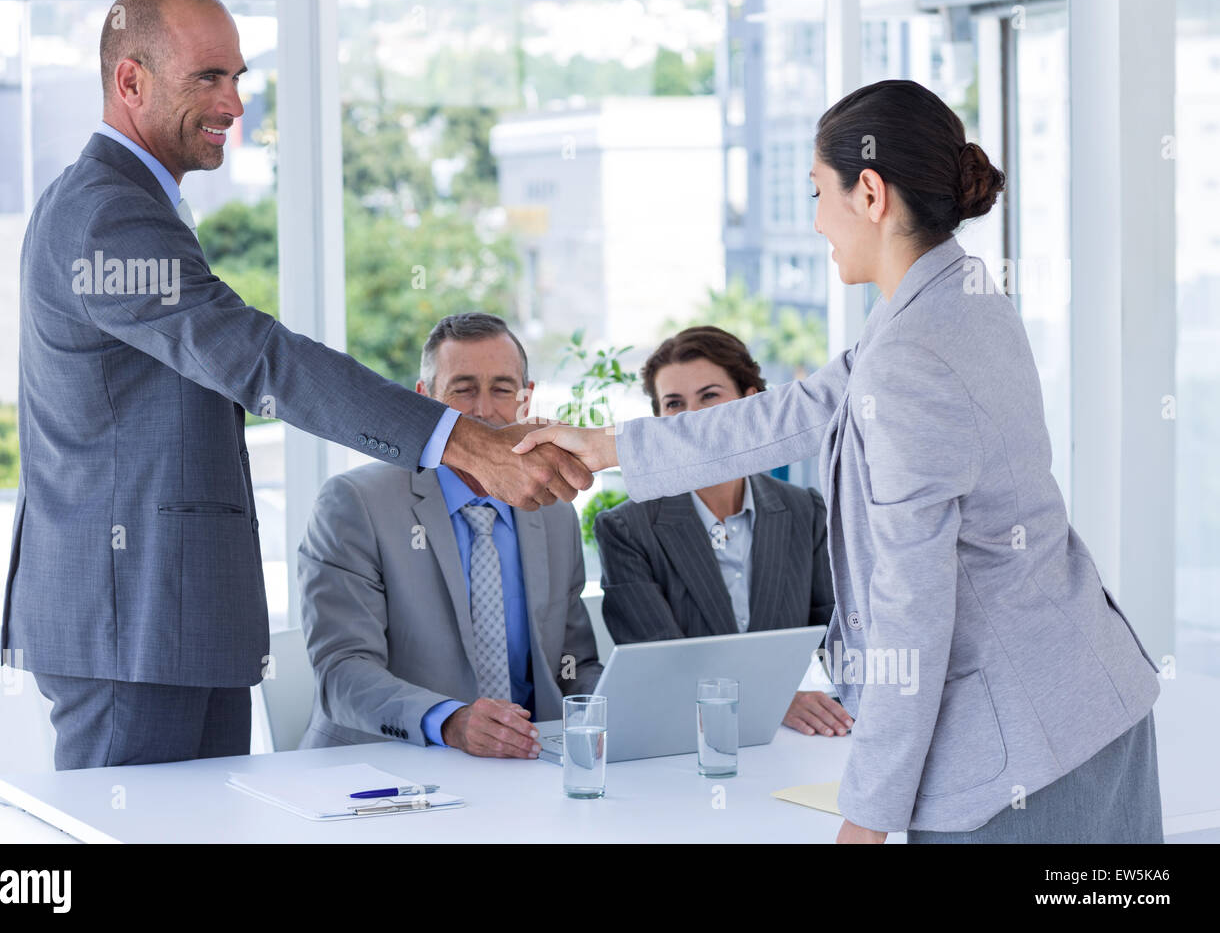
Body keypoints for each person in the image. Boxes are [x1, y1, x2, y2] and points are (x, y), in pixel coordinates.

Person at [516, 79, 1163, 844]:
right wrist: (615, 446)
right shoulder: (955, 297)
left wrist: (867, 816)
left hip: (1020, 756)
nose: (816, 219)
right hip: (1088, 700)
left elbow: (910, 613)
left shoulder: (914, 353)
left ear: (869, 192)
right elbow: (803, 408)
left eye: (818, 191)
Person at [4, 0, 589, 771]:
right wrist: (458, 442)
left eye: (238, 77)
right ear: (131, 81)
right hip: (131, 623)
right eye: (207, 78)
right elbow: (260, 358)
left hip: (170, 621)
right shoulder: (108, 212)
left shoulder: (138, 203)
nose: (234, 103)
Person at [297, 314, 601, 757]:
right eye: (462, 389)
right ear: (424, 400)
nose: (482, 410)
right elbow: (343, 672)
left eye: (501, 389)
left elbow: (574, 666)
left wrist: (603, 714)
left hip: (526, 769)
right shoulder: (354, 504)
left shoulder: (553, 511)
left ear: (526, 399)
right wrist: (451, 722)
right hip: (383, 772)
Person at [593, 326, 851, 737]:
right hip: (683, 742)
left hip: (786, 744)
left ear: (753, 405)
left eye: (709, 396)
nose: (693, 419)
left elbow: (835, 639)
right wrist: (771, 699)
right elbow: (661, 664)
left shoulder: (804, 511)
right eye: (674, 404)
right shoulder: (626, 529)